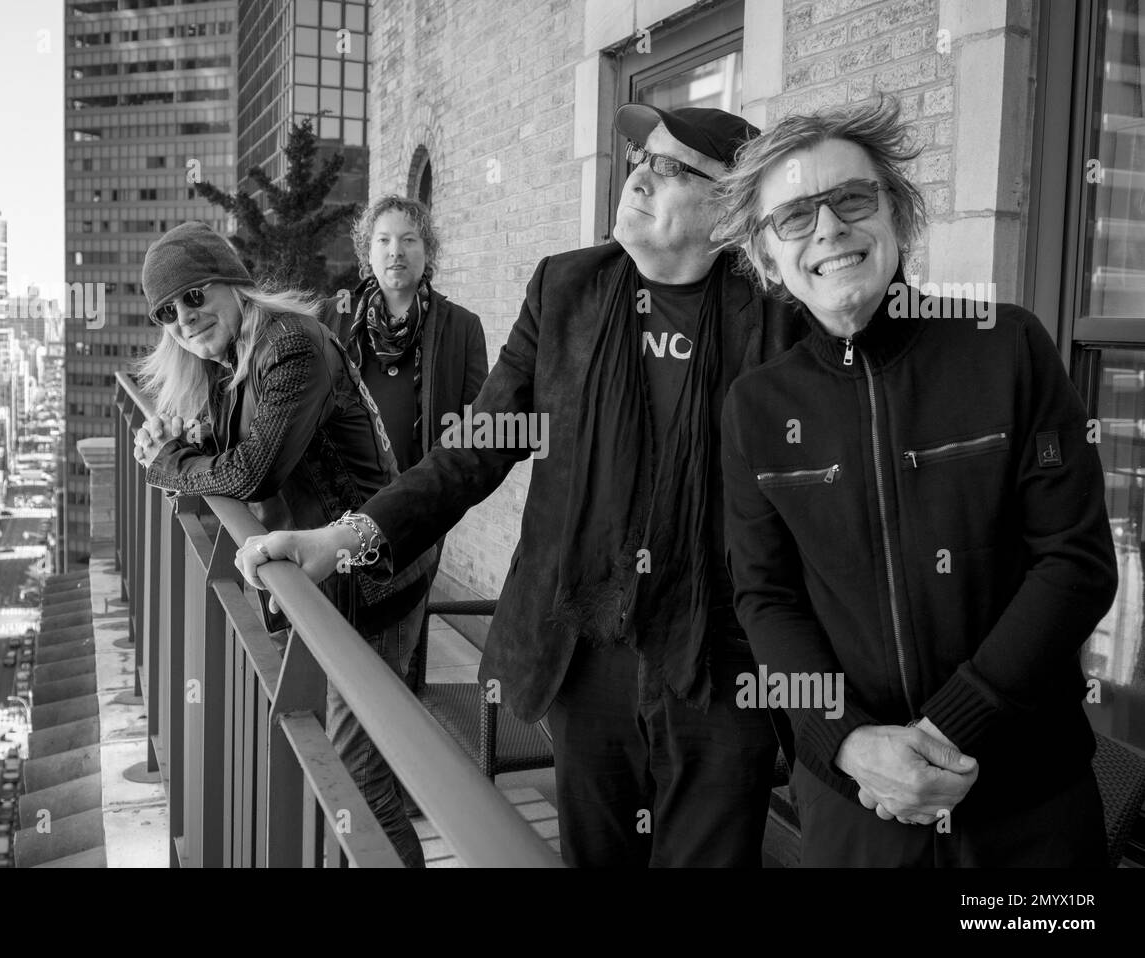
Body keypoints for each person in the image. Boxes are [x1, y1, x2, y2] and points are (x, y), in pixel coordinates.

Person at [237, 106, 806, 867]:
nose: (639, 173)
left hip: (719, 662)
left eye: (673, 169)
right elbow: (476, 448)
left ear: (730, 206)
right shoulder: (567, 287)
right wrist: (348, 539)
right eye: (641, 155)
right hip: (585, 647)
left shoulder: (779, 319)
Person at [716, 98, 1117, 867]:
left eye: (852, 199)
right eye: (794, 217)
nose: (829, 229)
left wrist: (953, 729)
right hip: (856, 812)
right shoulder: (756, 408)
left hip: (1027, 803)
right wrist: (844, 740)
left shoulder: (1007, 350)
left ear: (897, 214)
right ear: (767, 259)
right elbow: (766, 599)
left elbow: (1075, 562)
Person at [129, 220, 433, 867]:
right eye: (169, 313)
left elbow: (250, 472)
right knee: (349, 760)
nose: (185, 318)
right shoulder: (232, 359)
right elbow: (230, 452)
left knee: (356, 775)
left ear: (232, 283)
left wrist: (167, 464)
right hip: (335, 578)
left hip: (376, 573)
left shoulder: (287, 343)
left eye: (195, 295)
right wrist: (184, 446)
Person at [323, 195, 488, 691]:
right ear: (366, 254)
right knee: (343, 632)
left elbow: (476, 428)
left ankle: (386, 734)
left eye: (409, 240)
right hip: (342, 501)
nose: (396, 251)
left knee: (394, 637)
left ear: (427, 252)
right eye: (384, 240)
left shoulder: (461, 327)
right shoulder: (333, 319)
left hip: (418, 508)